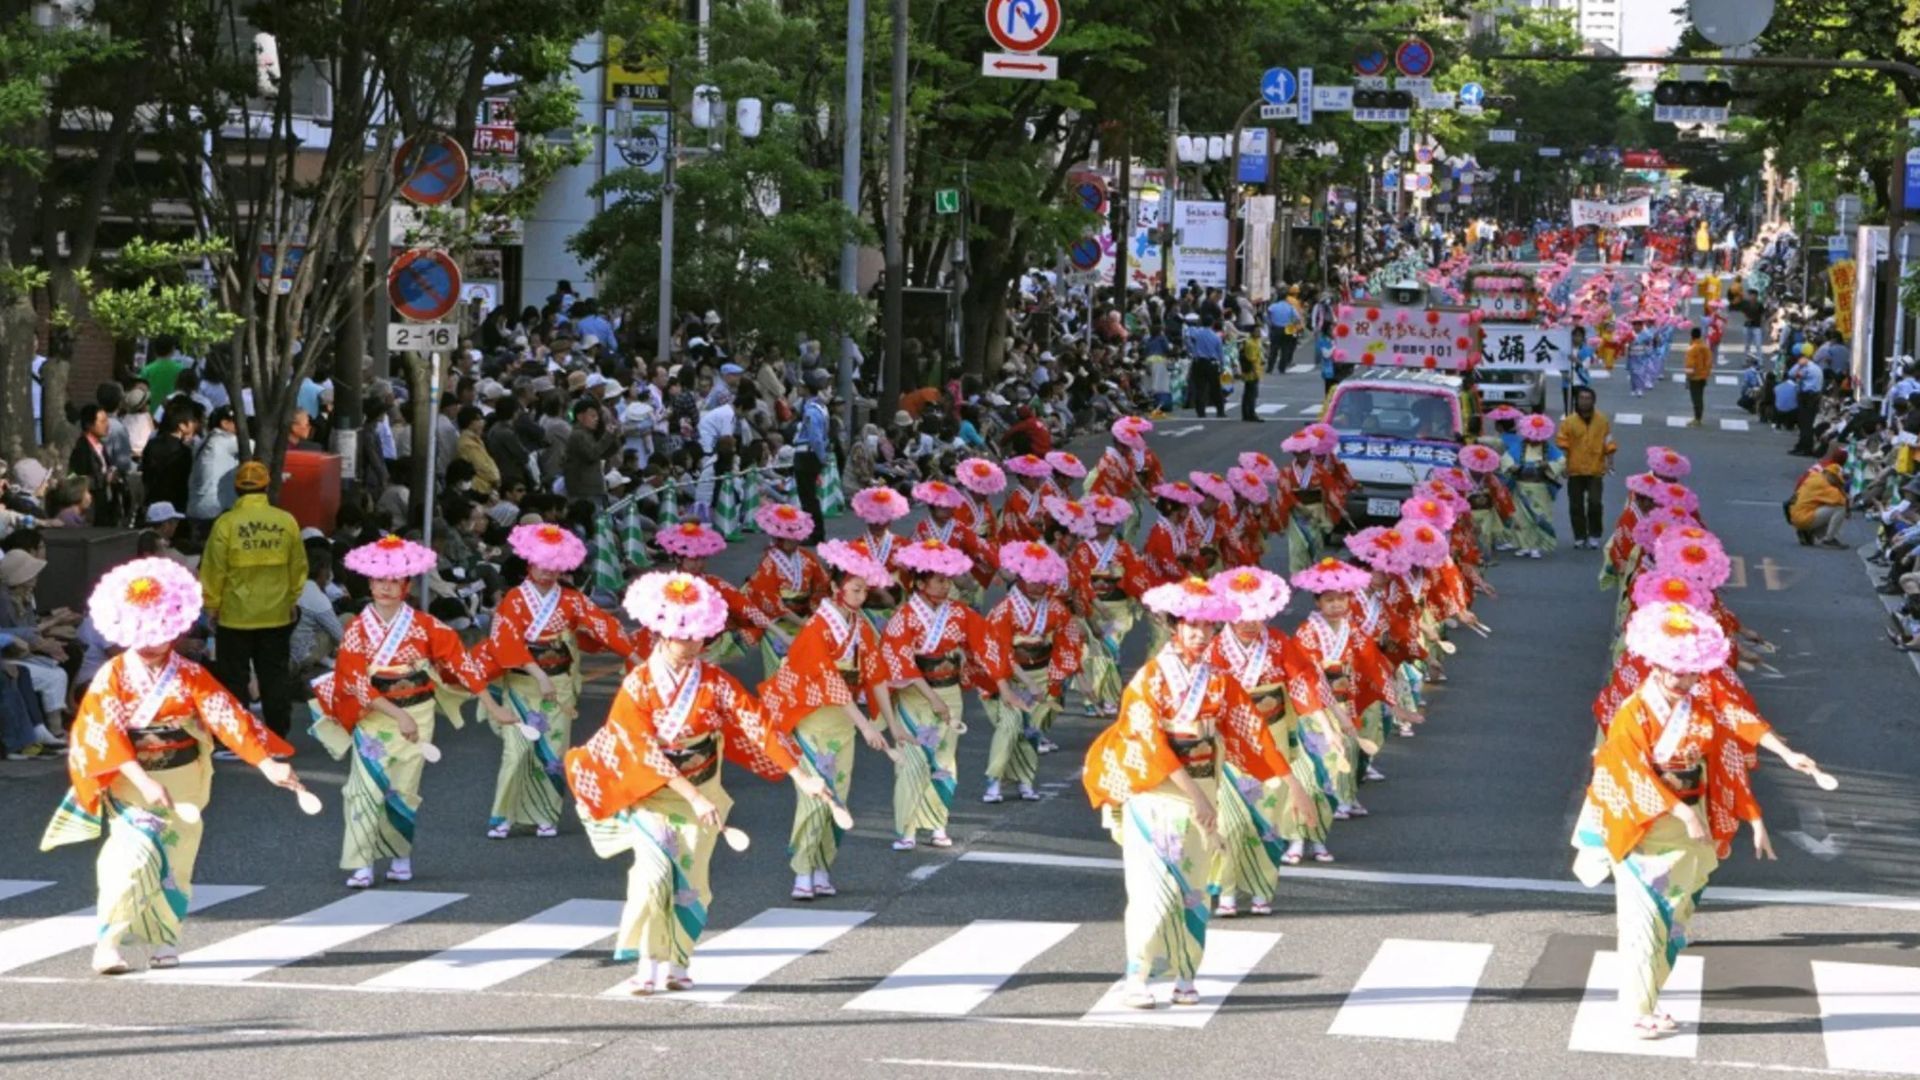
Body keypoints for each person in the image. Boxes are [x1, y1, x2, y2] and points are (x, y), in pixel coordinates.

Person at [564, 572, 828, 996]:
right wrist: (691, 795)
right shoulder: (638, 684)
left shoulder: (715, 683)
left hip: (703, 786)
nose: (694, 645)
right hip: (651, 793)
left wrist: (801, 776)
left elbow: (755, 723)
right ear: (661, 635)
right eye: (684, 637)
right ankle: (648, 963)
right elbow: (641, 748)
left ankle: (679, 961)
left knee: (692, 883)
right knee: (653, 877)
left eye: (700, 638)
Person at [1571, 601, 1824, 1040]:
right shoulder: (1634, 711)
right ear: (1654, 664)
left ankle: (1648, 1000)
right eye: (1674, 670)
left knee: (1673, 916)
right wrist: (1681, 810)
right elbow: (1628, 770)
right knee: (1642, 919)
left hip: (1692, 825)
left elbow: (1733, 730)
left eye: (1690, 671)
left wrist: (1783, 759)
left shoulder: (1699, 703)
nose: (1682, 679)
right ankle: (1637, 1009)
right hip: (1642, 825)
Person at [38, 557, 303, 974]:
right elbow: (101, 732)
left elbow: (227, 717)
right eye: (142, 633)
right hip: (130, 779)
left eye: (161, 633)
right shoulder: (112, 677)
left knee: (175, 862)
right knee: (129, 858)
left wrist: (267, 764)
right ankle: (107, 943)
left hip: (182, 780)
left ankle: (165, 938)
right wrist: (141, 780)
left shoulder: (192, 676)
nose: (151, 642)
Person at [1081, 576, 1309, 1010]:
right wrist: (1199, 797)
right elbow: (1148, 742)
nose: (1200, 635)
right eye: (1191, 626)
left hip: (1204, 781)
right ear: (1174, 627)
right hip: (1157, 791)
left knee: (1193, 887)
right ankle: (1138, 974)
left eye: (1208, 627)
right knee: (1152, 888)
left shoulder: (1220, 683)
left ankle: (1186, 974)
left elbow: (1252, 732)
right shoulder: (1149, 680)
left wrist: (1291, 780)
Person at [309, 535, 517, 888]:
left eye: (394, 582)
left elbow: (461, 663)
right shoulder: (358, 629)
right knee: (363, 788)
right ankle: (361, 861)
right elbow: (355, 681)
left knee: (403, 788)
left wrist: (492, 704)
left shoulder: (425, 625)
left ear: (406, 586)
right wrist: (397, 714)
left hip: (418, 711)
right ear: (370, 583)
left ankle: (400, 855)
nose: (386, 588)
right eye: (379, 581)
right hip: (374, 715)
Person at [484, 523, 646, 839]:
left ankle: (546, 812)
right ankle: (502, 813)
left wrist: (637, 659)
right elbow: (506, 643)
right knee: (516, 751)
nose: (547, 572)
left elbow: (604, 627)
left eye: (555, 567)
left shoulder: (571, 600)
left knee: (553, 751)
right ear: (529, 563)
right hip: (522, 684)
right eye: (541, 565)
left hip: (557, 685)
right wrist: (537, 673)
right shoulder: (515, 600)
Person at [757, 540, 897, 900]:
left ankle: (822, 866)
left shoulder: (860, 626)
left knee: (839, 795)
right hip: (813, 717)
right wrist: (866, 724)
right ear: (836, 588)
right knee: (816, 793)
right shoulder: (818, 627)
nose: (861, 595)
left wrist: (893, 726)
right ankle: (802, 871)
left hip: (842, 720)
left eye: (865, 589)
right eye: (855, 588)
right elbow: (830, 682)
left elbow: (876, 673)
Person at [1206, 566, 1336, 905]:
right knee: (1233, 824)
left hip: (1274, 738)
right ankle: (1228, 890)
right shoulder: (1214, 649)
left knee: (1268, 822)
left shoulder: (1278, 643)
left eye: (1257, 616)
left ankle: (1262, 889)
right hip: (1231, 744)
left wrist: (1325, 725)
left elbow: (1301, 682)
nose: (1250, 623)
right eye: (1242, 616)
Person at [878, 539, 984, 850]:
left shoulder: (959, 613)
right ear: (921, 583)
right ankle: (907, 828)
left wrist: (1000, 680)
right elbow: (901, 662)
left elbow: (983, 643)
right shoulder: (905, 617)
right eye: (939, 580)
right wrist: (933, 698)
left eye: (948, 579)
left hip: (949, 689)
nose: (946, 585)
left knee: (944, 759)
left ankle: (938, 823)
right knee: (912, 759)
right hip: (916, 695)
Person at [199, 461, 306, 738]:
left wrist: (211, 606)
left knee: (234, 679)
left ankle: (239, 737)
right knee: (274, 677)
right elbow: (298, 568)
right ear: (266, 487)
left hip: (234, 617)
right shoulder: (286, 522)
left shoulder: (226, 524)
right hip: (276, 615)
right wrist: (292, 599)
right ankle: (277, 735)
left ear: (237, 489)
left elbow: (213, 570)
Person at [979, 541, 1083, 800]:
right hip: (1009, 677)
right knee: (1010, 725)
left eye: (1043, 581)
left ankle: (1026, 780)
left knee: (1032, 730)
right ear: (1021, 578)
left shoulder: (1056, 609)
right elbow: (1000, 651)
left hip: (1042, 673)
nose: (1038, 586)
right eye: (1032, 580)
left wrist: (1061, 676)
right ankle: (994, 779)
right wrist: (1025, 681)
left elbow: (1068, 641)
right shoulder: (1003, 610)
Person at [743, 503, 833, 679]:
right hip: (777, 622)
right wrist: (802, 623)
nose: (794, 541)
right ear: (778, 538)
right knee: (780, 666)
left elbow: (822, 586)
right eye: (788, 538)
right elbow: (768, 598)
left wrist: (814, 615)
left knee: (810, 663)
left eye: (795, 537)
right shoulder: (769, 563)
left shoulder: (807, 557)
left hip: (804, 616)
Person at [1557, 387, 1618, 550]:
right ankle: (1579, 535)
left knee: (1595, 503)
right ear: (1577, 400)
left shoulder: (1602, 420)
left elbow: (1609, 441)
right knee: (1575, 505)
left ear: (1593, 401)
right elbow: (1563, 445)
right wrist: (1563, 465)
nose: (1584, 401)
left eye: (1588, 398)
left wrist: (1610, 461)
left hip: (1595, 469)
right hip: (1575, 469)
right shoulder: (1569, 422)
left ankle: (1594, 534)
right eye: (1581, 398)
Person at [1502, 414, 1564, 558]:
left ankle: (1536, 546)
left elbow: (1561, 461)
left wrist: (1548, 464)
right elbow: (1506, 458)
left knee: (1540, 516)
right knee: (1521, 517)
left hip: (1540, 487)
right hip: (1522, 485)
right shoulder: (1520, 446)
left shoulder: (1549, 449)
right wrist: (1513, 467)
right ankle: (1524, 546)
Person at [793, 370, 833, 542]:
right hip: (812, 454)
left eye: (801, 386)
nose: (798, 388)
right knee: (810, 496)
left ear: (807, 388)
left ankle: (815, 533)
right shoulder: (821, 406)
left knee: (807, 497)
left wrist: (821, 457)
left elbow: (815, 438)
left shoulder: (811, 410)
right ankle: (815, 531)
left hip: (807, 454)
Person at [1789, 448, 1850, 548]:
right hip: (1803, 517)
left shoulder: (1816, 475)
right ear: (1833, 476)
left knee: (1827, 506)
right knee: (1840, 508)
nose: (1838, 483)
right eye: (1837, 480)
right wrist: (1847, 500)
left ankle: (1810, 532)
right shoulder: (1825, 485)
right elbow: (1842, 502)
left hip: (1797, 513)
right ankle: (1828, 539)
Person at [1186, 317, 1227, 418]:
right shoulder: (1216, 337)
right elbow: (1220, 353)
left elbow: (1188, 339)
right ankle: (1220, 411)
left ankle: (1200, 412)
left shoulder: (1197, 334)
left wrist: (1192, 350)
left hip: (1199, 362)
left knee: (1200, 388)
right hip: (1212, 363)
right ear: (1212, 324)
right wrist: (1222, 366)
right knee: (1216, 388)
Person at [1788, 348, 1825, 456]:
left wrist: (1799, 365)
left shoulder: (1807, 368)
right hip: (1811, 397)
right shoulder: (1815, 367)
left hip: (1808, 397)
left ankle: (1805, 447)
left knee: (1805, 424)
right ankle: (1801, 445)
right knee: (1805, 423)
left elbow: (1791, 374)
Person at [1267, 287, 1303, 374]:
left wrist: (1271, 322)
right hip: (1288, 328)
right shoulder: (1290, 307)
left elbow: (1268, 314)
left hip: (1276, 328)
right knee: (1285, 349)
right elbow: (1297, 318)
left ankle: (1270, 368)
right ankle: (1282, 368)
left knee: (1273, 349)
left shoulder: (1273, 306)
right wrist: (1292, 323)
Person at [1683, 327, 1712, 428]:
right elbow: (1709, 362)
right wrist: (1706, 373)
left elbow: (1689, 365)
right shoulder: (1705, 347)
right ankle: (1698, 417)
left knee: (1696, 399)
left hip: (1695, 377)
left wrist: (1688, 377)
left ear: (1691, 336)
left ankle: (1697, 419)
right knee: (1700, 397)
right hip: (1703, 376)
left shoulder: (1692, 348)